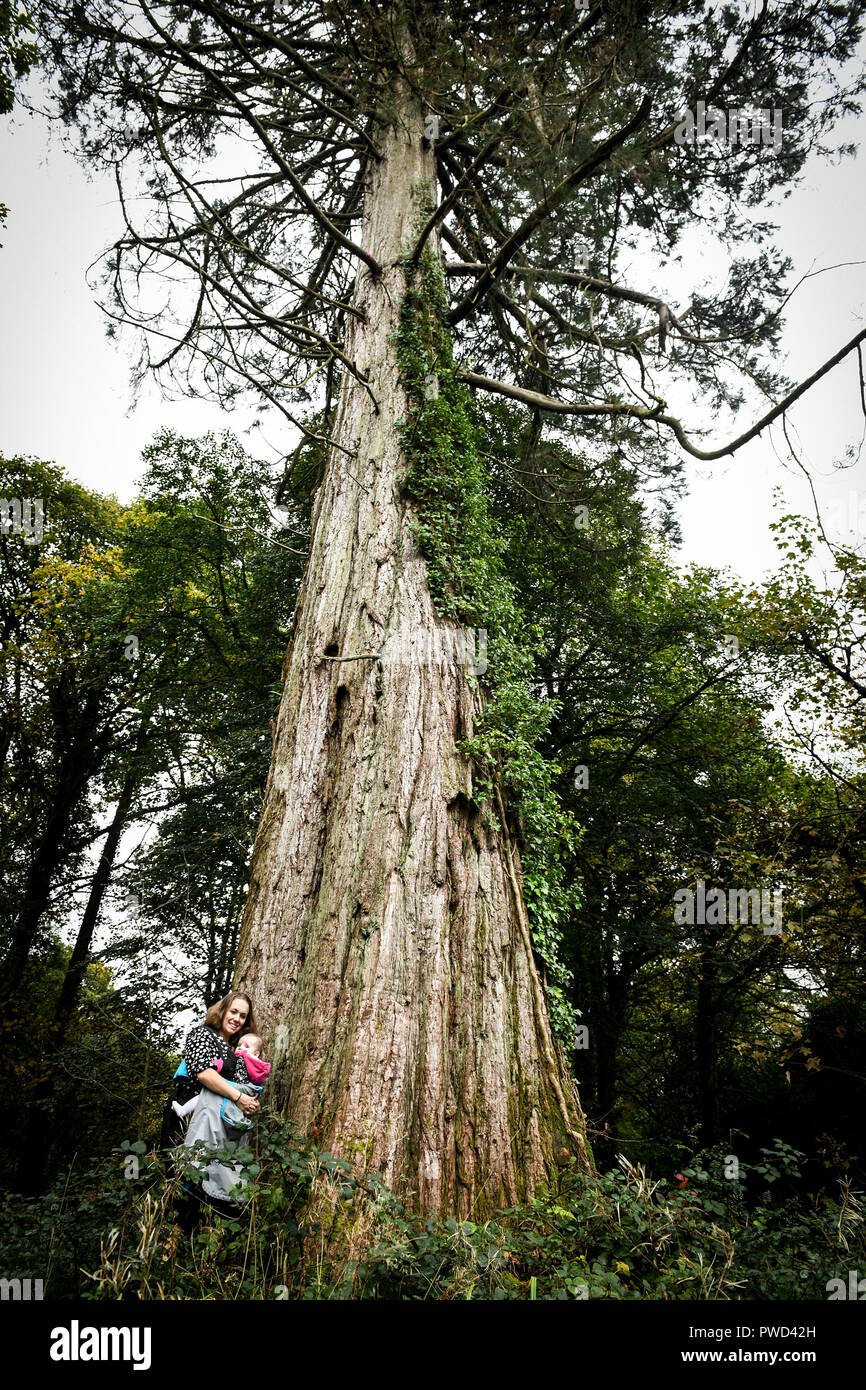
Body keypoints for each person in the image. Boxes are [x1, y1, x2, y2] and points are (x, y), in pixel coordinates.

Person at [162, 991, 263, 1219]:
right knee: (184, 1182)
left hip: (218, 1126)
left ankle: (202, 1245)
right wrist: (239, 1098)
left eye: (243, 1016)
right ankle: (172, 1241)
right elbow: (204, 1074)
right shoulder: (202, 1034)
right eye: (233, 1012)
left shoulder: (238, 1049)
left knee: (212, 1189)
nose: (237, 1019)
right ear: (223, 1010)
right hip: (187, 1116)